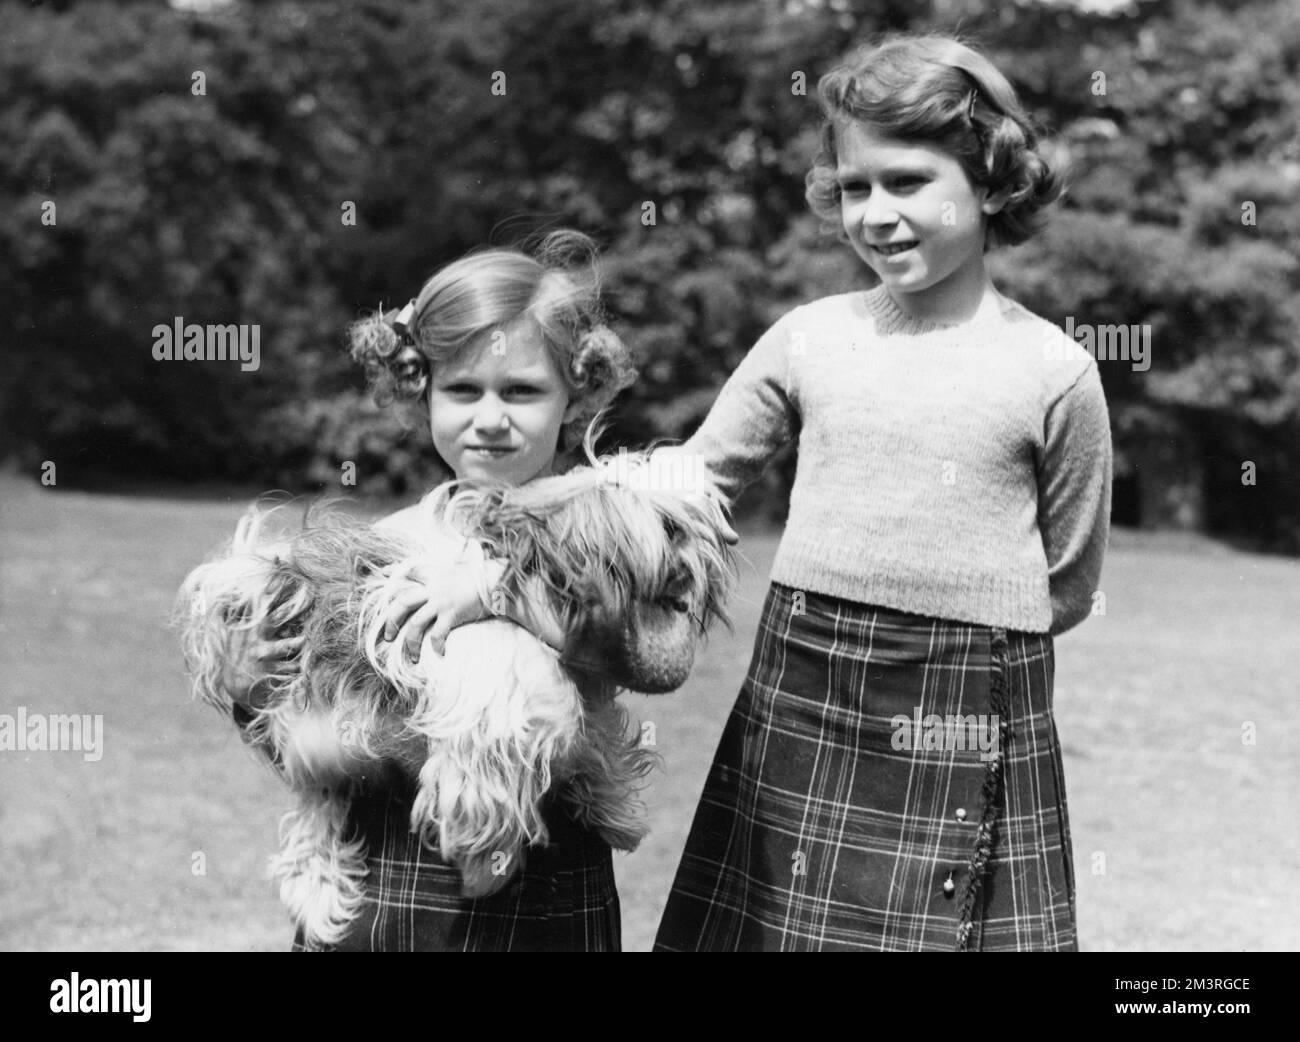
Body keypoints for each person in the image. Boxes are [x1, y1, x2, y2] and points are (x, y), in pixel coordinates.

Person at [643, 34, 1113, 951]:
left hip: (969, 699)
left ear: (991, 183)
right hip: (804, 681)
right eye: (856, 188)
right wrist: (543, 506)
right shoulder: (808, 337)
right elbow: (686, 484)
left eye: (907, 182)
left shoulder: (1055, 371)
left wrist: (960, 638)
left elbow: (1070, 577)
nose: (877, 213)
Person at [220, 230, 639, 950]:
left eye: (523, 391)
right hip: (384, 887)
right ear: (421, 392)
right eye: (463, 390)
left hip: (540, 891)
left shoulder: (597, 531)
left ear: (576, 395)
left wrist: (501, 594)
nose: (490, 417)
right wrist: (251, 691)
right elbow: (307, 733)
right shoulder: (387, 549)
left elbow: (642, 651)